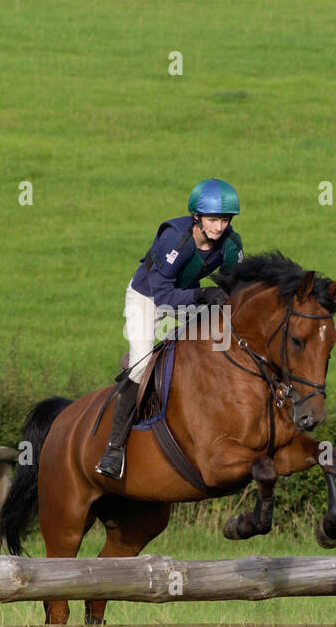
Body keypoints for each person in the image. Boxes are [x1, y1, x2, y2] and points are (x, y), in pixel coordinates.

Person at [95, 178, 245, 479]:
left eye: (224, 220)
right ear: (197, 217)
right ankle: (114, 449)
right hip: (147, 298)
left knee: (222, 344)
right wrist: (202, 295)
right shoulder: (175, 240)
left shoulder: (231, 245)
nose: (219, 227)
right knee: (140, 366)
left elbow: (236, 285)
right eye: (213, 219)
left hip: (188, 295)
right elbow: (162, 297)